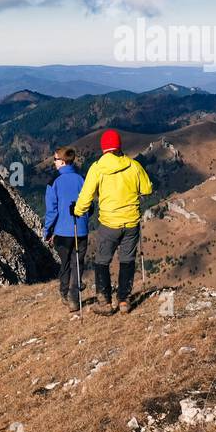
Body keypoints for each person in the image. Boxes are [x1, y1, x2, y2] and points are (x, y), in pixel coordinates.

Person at [73, 130, 152, 315]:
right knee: (127, 260)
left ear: (103, 148)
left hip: (109, 224)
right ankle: (124, 301)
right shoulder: (133, 165)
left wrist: (77, 211)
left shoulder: (97, 168)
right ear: (119, 146)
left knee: (102, 261)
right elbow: (147, 189)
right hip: (131, 222)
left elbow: (86, 196)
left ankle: (105, 303)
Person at [44, 147, 90, 313]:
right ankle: (74, 297)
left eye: (55, 159)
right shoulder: (82, 179)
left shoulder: (53, 182)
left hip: (62, 232)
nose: (54, 162)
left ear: (62, 162)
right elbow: (90, 204)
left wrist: (47, 232)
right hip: (81, 230)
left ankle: (64, 294)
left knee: (65, 264)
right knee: (77, 263)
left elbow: (51, 211)